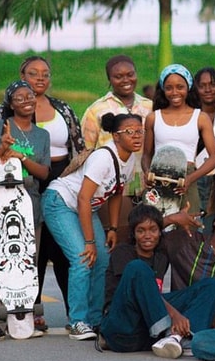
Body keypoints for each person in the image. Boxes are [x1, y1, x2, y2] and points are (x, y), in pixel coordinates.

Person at [0, 55, 85, 330]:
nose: (40, 78)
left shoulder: (62, 108)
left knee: (63, 249)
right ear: (21, 75)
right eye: (33, 73)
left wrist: (73, 181)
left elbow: (79, 144)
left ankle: (74, 315)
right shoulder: (4, 111)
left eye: (45, 74)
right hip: (22, 181)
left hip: (60, 178)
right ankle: (31, 311)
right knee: (32, 250)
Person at [41, 112, 144, 340]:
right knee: (82, 258)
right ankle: (77, 321)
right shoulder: (104, 157)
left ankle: (95, 320)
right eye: (130, 132)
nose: (137, 136)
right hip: (61, 202)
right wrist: (89, 242)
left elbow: (116, 193)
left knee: (103, 260)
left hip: (87, 208)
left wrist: (114, 229)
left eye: (140, 131)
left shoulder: (128, 160)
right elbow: (83, 198)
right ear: (116, 136)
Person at [96, 204, 215, 356]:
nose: (147, 236)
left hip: (148, 332)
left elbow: (154, 296)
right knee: (138, 268)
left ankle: (183, 338)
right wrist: (175, 315)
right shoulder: (123, 252)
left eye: (153, 230)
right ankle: (169, 331)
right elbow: (137, 291)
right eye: (140, 231)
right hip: (122, 328)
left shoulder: (161, 255)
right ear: (133, 234)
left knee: (211, 285)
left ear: (160, 233)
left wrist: (174, 219)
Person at [0, 80, 51, 342]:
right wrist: (1, 147)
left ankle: (24, 317)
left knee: (26, 265)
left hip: (29, 208)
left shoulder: (42, 135)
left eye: (29, 96)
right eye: (19, 98)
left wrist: (19, 156)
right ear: (10, 103)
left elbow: (43, 172)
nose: (26, 101)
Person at [81, 55, 153, 240]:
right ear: (109, 79)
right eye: (118, 76)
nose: (126, 80)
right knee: (118, 241)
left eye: (130, 74)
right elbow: (85, 153)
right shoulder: (96, 110)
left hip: (148, 188)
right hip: (114, 192)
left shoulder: (150, 107)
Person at [142, 64, 215, 215]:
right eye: (169, 87)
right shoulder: (153, 118)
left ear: (188, 87)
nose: (174, 92)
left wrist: (190, 179)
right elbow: (146, 155)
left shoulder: (200, 118)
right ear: (163, 90)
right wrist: (147, 172)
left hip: (187, 177)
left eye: (180, 87)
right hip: (158, 178)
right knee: (156, 225)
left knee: (189, 227)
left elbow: (214, 158)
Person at [192, 67, 215, 216]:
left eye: (212, 84)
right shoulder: (190, 116)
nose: (208, 89)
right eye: (202, 86)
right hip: (196, 177)